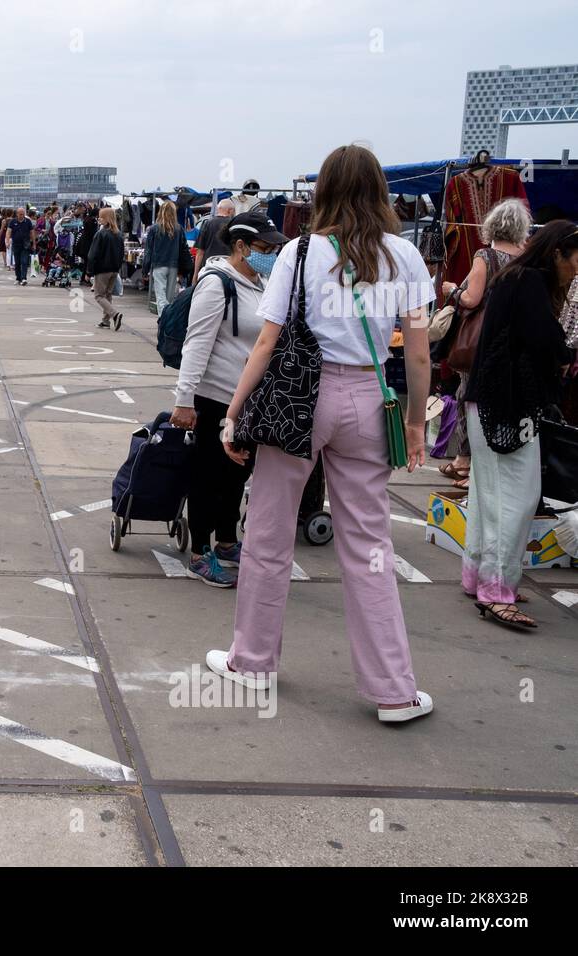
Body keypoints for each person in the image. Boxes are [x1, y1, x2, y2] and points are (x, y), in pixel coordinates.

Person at [211, 144, 436, 724]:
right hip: (368, 397)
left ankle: (252, 662)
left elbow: (267, 341)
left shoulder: (299, 251)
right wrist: (415, 423)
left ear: (324, 193)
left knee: (267, 533)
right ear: (380, 192)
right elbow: (416, 352)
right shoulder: (405, 257)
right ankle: (394, 691)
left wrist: (234, 413)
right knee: (370, 548)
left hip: (299, 402)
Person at [461, 219, 578, 630]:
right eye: (576, 259)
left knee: (487, 493)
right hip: (507, 405)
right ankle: (497, 591)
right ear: (557, 252)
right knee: (515, 498)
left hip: (487, 401)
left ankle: (480, 577)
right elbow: (543, 338)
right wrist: (565, 354)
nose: (577, 269)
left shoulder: (515, 277)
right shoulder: (529, 281)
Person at [170, 212, 287, 586]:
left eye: (273, 248)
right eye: (264, 248)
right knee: (209, 475)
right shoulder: (217, 284)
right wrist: (184, 399)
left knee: (237, 473)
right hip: (215, 397)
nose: (270, 253)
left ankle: (226, 541)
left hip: (249, 400)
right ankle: (200, 553)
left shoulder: (263, 282)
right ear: (240, 246)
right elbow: (197, 343)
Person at [438, 198, 531, 488]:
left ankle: (469, 465)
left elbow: (471, 299)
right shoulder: (527, 259)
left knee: (470, 398)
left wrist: (453, 291)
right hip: (514, 340)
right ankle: (468, 463)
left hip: (481, 341)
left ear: (492, 225)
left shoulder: (485, 257)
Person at [144, 200, 185, 313]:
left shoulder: (154, 229)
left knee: (160, 296)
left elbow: (148, 251)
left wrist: (145, 270)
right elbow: (183, 250)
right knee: (170, 297)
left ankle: (163, 320)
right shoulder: (179, 229)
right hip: (173, 266)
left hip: (159, 265)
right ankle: (167, 321)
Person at [87, 207, 125, 330]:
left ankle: (114, 314)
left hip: (102, 269)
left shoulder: (101, 234)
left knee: (99, 296)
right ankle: (105, 320)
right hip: (114, 269)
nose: (99, 219)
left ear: (106, 219)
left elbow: (93, 254)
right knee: (107, 295)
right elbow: (121, 253)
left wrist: (89, 271)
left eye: (101, 217)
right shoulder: (118, 234)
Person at [194, 198, 235, 273]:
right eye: (233, 210)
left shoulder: (207, 223)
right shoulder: (234, 225)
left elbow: (200, 252)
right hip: (228, 268)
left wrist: (195, 274)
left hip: (209, 268)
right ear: (229, 210)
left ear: (219, 209)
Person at [8, 205, 34, 285]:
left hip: (25, 245)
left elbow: (32, 233)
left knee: (24, 261)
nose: (21, 216)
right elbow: (8, 232)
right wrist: (7, 241)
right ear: (17, 214)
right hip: (16, 245)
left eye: (23, 214)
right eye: (20, 214)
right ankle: (18, 278)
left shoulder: (28, 222)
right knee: (17, 262)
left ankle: (24, 278)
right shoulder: (13, 222)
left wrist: (34, 244)